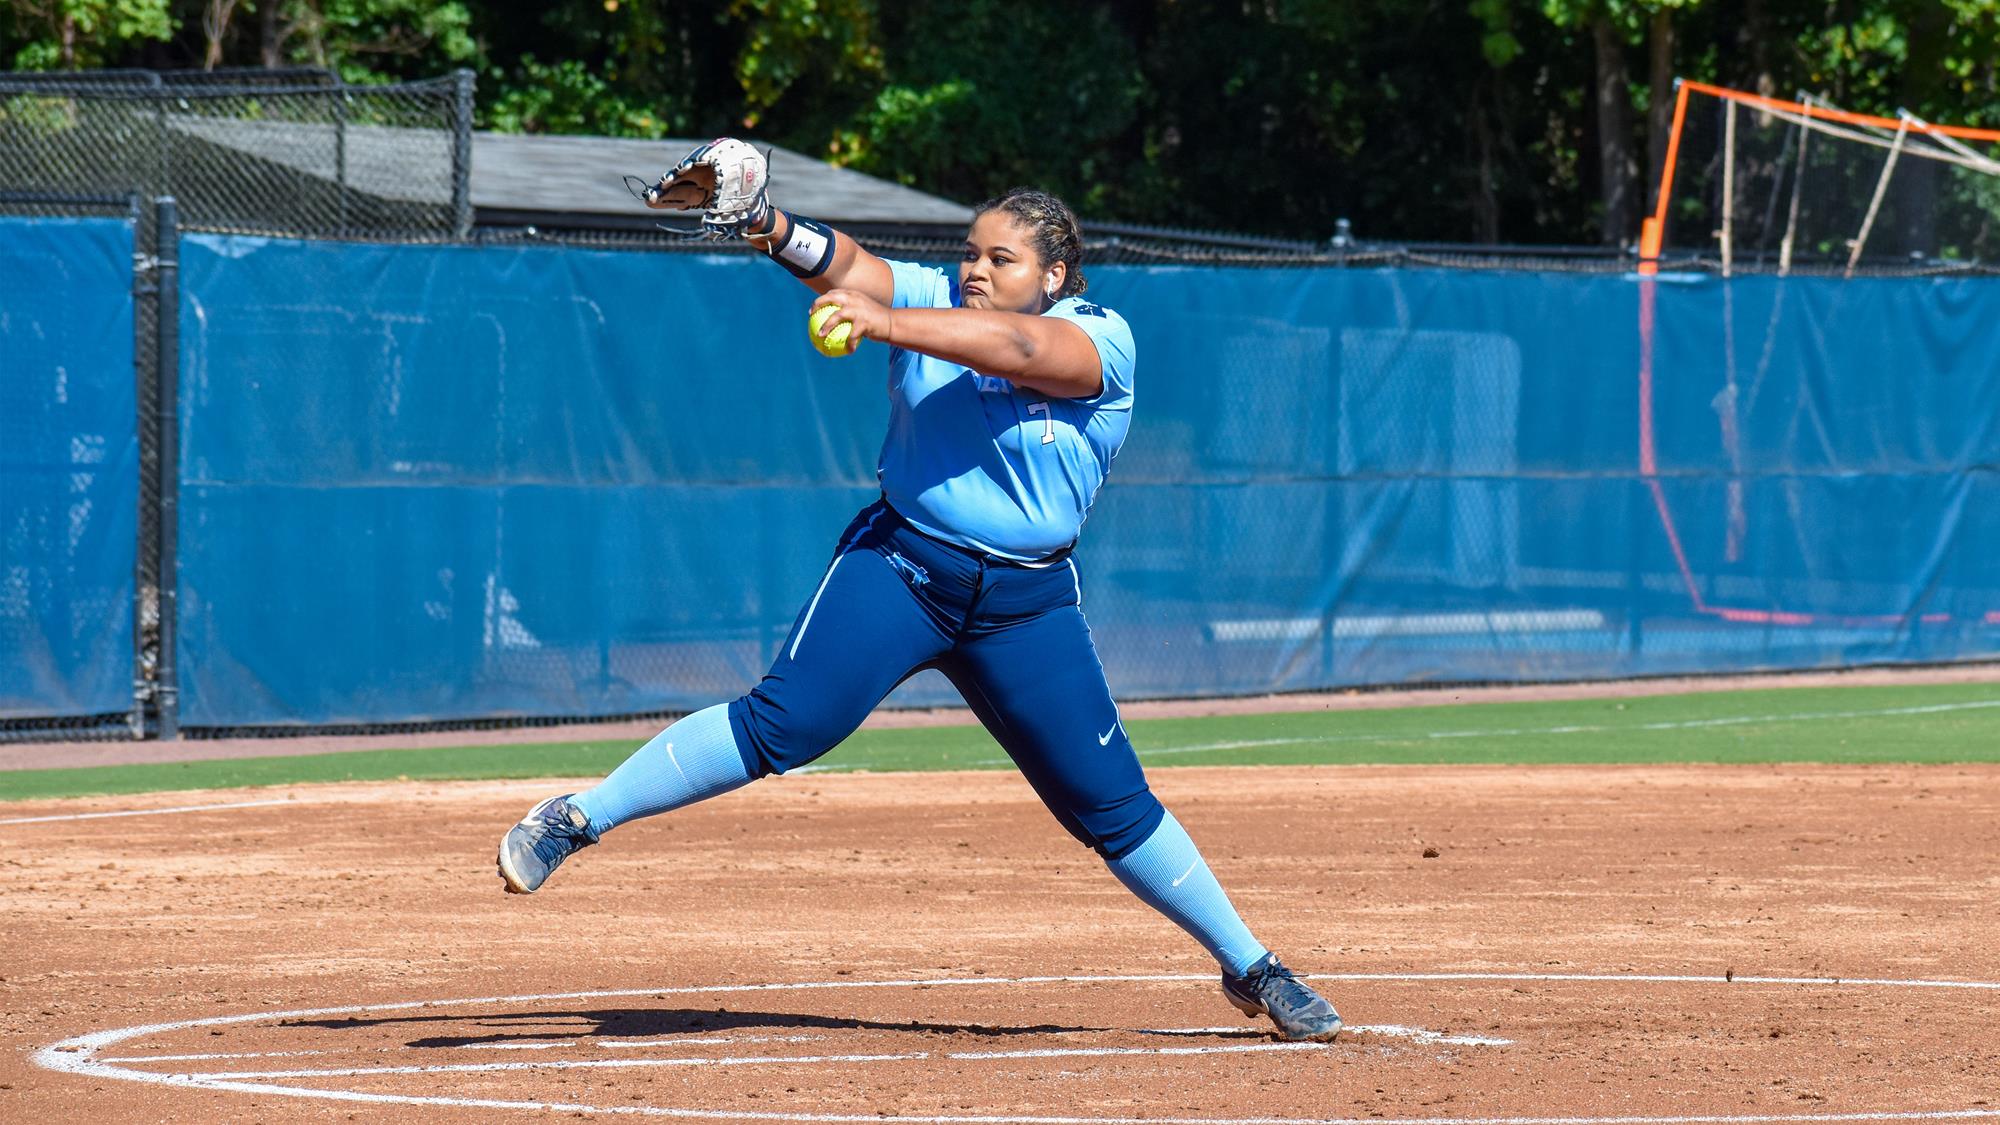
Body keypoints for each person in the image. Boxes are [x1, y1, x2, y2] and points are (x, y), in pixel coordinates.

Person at [497, 139, 1341, 1042]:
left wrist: (879, 318)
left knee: (1111, 801)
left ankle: (1254, 966)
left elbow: (1018, 347)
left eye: (1000, 258)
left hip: (1026, 604)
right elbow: (850, 264)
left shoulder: (1104, 338)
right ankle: (576, 816)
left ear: (1056, 274)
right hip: (904, 565)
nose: (974, 269)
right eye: (970, 253)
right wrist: (762, 222)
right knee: (784, 723)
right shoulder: (933, 296)